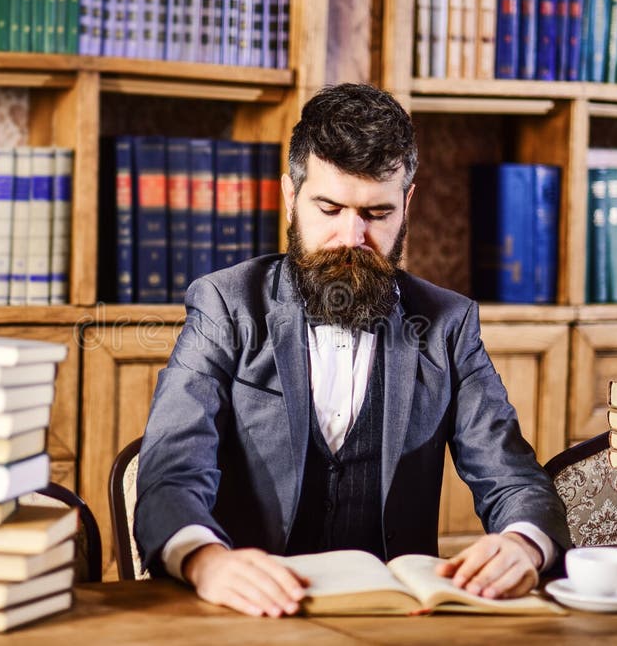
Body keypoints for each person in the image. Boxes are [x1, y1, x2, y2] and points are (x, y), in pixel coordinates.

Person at [134, 82, 571, 618]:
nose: (351, 236)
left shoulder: (449, 324)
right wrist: (206, 562)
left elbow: (514, 479)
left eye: (376, 214)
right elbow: (170, 470)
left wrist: (523, 544)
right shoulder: (224, 305)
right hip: (245, 617)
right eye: (330, 208)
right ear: (290, 196)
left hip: (400, 622)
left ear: (407, 203)